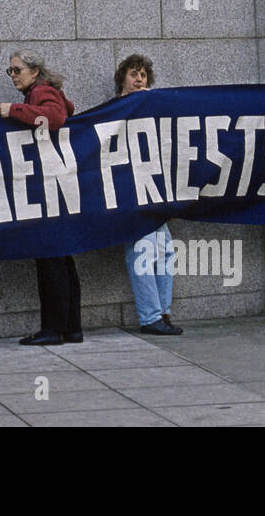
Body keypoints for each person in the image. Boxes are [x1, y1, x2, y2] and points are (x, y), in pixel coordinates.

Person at [1, 49, 81, 346]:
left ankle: (53, 329)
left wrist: (13, 111)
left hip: (50, 189)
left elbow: (55, 118)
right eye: (9, 70)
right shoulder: (42, 92)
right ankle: (71, 327)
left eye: (17, 70)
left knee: (50, 261)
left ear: (35, 72)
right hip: (57, 188)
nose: (13, 75)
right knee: (61, 259)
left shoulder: (42, 92)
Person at [114, 54, 182, 335]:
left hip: (154, 189)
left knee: (164, 251)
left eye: (142, 74)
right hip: (132, 191)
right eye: (133, 74)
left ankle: (162, 312)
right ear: (123, 81)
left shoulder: (154, 105)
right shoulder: (116, 109)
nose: (139, 79)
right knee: (142, 251)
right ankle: (151, 316)